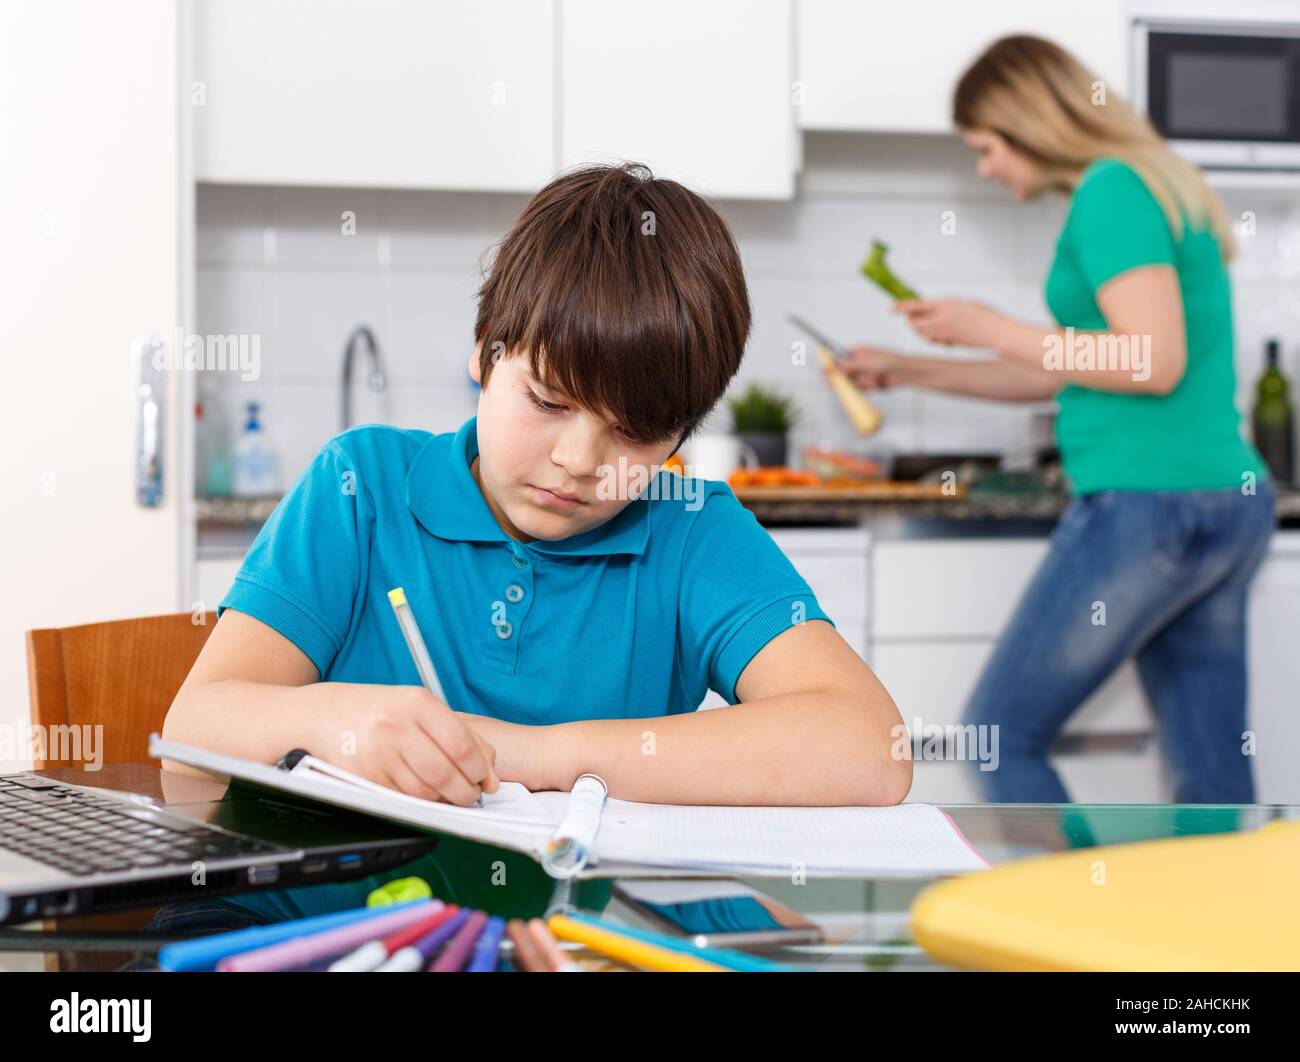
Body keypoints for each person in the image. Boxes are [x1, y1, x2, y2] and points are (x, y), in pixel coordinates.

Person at [151, 161, 908, 933]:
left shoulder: (688, 527)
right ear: (484, 353)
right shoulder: (362, 487)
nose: (581, 460)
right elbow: (192, 732)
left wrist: (531, 755)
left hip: (549, 941)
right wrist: (335, 723)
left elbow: (869, 748)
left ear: (682, 437)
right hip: (292, 931)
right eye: (548, 401)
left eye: (637, 432)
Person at [838, 36, 1274, 804]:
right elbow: (1066, 368)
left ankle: (1072, 917)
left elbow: (1153, 360)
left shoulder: (1111, 190)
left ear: (1028, 121)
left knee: (999, 737)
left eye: (985, 148)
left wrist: (990, 324)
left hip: (1149, 506)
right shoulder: (1154, 184)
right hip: (1220, 502)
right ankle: (1227, 924)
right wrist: (910, 369)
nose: (986, 169)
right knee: (1211, 771)